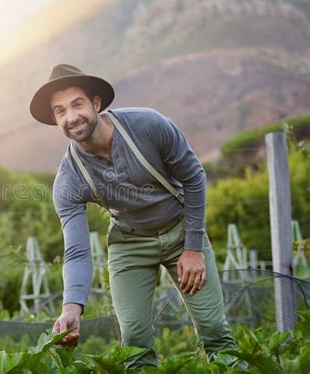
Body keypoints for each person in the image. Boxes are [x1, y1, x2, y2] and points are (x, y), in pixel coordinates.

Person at [29, 64, 237, 369]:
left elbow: (194, 178)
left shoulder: (148, 126)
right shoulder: (69, 180)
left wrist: (193, 248)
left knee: (214, 330)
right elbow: (76, 251)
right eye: (60, 111)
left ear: (95, 104)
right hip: (130, 244)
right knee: (134, 343)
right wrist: (71, 307)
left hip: (181, 232)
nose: (71, 117)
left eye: (77, 104)